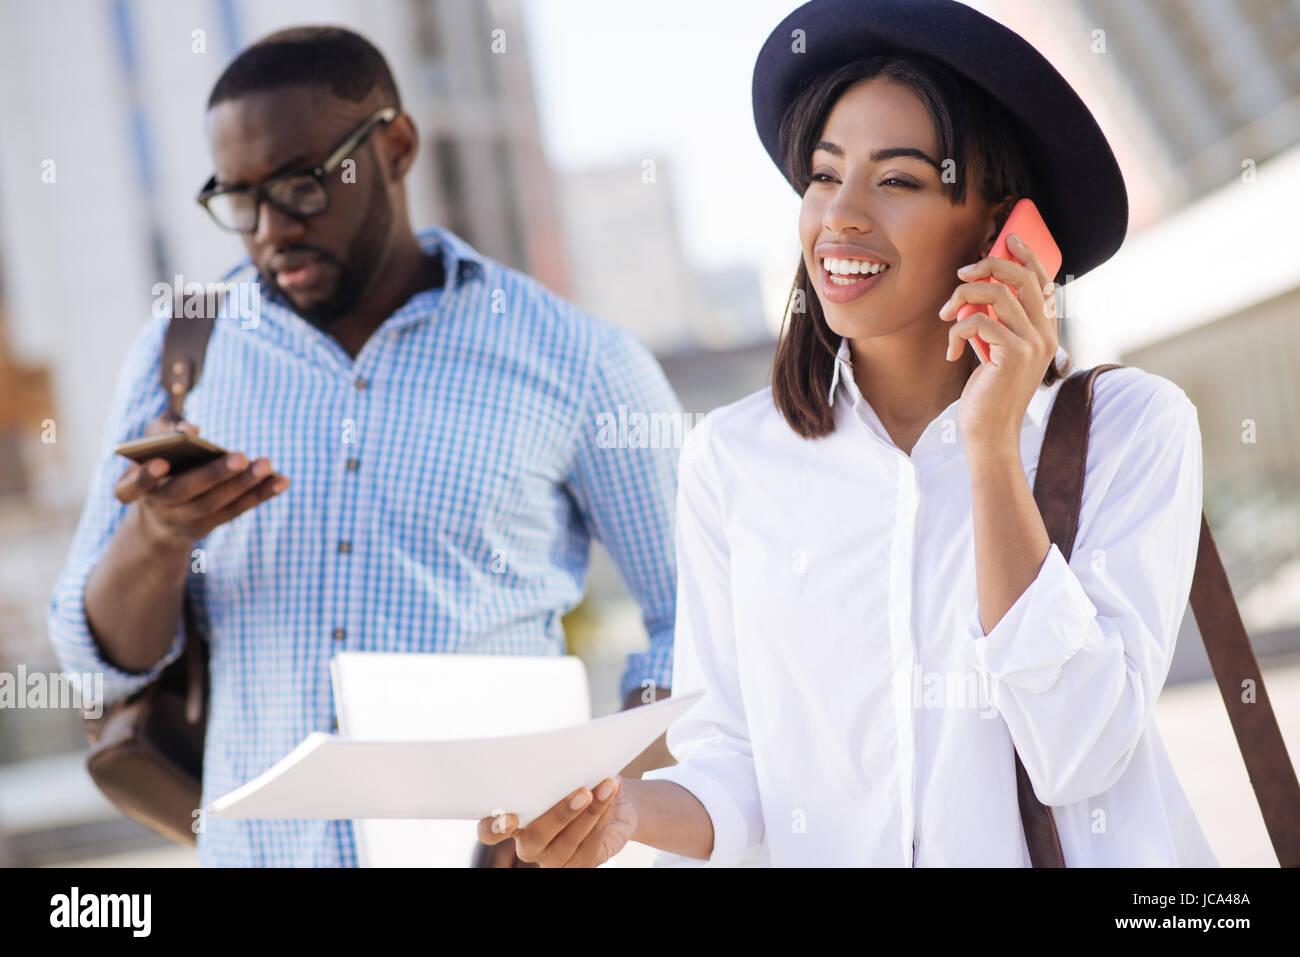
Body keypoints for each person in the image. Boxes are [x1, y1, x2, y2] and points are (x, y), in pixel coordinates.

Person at [475, 0, 1218, 867]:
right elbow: (736, 764)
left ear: (1006, 233)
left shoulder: (1134, 430)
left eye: (897, 180)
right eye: (825, 176)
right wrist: (622, 813)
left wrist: (988, 451)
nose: (841, 216)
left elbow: (1079, 752)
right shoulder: (731, 458)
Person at [47, 26, 680, 867]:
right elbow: (96, 667)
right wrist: (160, 538)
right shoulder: (181, 351)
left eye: (301, 187)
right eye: (239, 200)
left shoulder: (580, 360)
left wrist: (597, 803)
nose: (270, 231)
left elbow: (699, 620)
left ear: (397, 146)